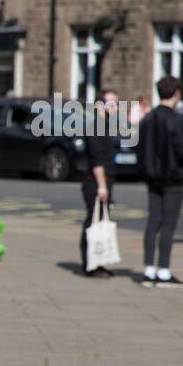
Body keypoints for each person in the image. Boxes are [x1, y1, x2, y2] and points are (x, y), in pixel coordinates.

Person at [138, 76, 183, 287]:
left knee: (153, 221)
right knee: (168, 225)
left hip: (152, 177)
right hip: (173, 178)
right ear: (177, 94)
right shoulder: (176, 120)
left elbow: (141, 150)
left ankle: (148, 269)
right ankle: (163, 271)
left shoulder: (148, 119)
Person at [80, 89, 118, 277]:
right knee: (92, 223)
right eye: (111, 103)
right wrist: (102, 186)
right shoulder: (95, 128)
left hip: (104, 181)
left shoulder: (104, 127)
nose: (116, 107)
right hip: (95, 183)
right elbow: (97, 161)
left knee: (101, 223)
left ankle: (99, 262)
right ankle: (89, 265)